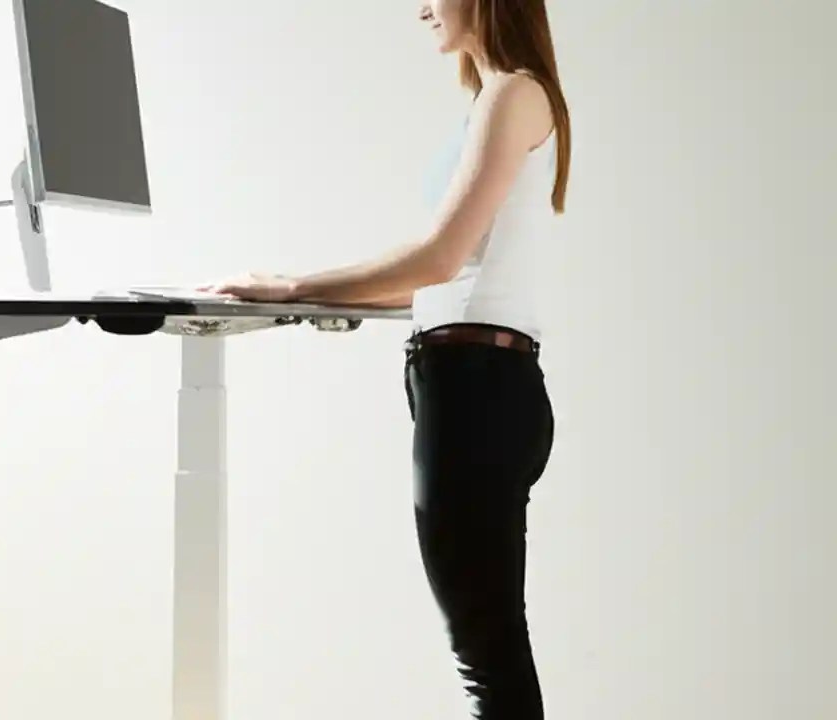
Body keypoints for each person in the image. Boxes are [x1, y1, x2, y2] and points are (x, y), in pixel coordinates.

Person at [202, 1, 571, 716]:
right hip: (483, 388)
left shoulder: (513, 95)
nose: (422, 8)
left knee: (489, 662)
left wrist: (289, 285)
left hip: (477, 397)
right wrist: (312, 305)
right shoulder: (500, 98)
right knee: (491, 649)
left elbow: (438, 259)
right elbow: (456, 280)